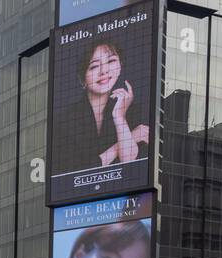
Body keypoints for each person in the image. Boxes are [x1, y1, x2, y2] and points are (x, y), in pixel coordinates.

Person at [54, 39, 150, 176]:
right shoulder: (64, 121)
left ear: (120, 65)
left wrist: (119, 117)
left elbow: (128, 161)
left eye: (111, 61)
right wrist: (127, 140)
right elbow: (77, 173)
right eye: (94, 66)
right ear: (83, 78)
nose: (104, 71)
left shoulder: (130, 108)